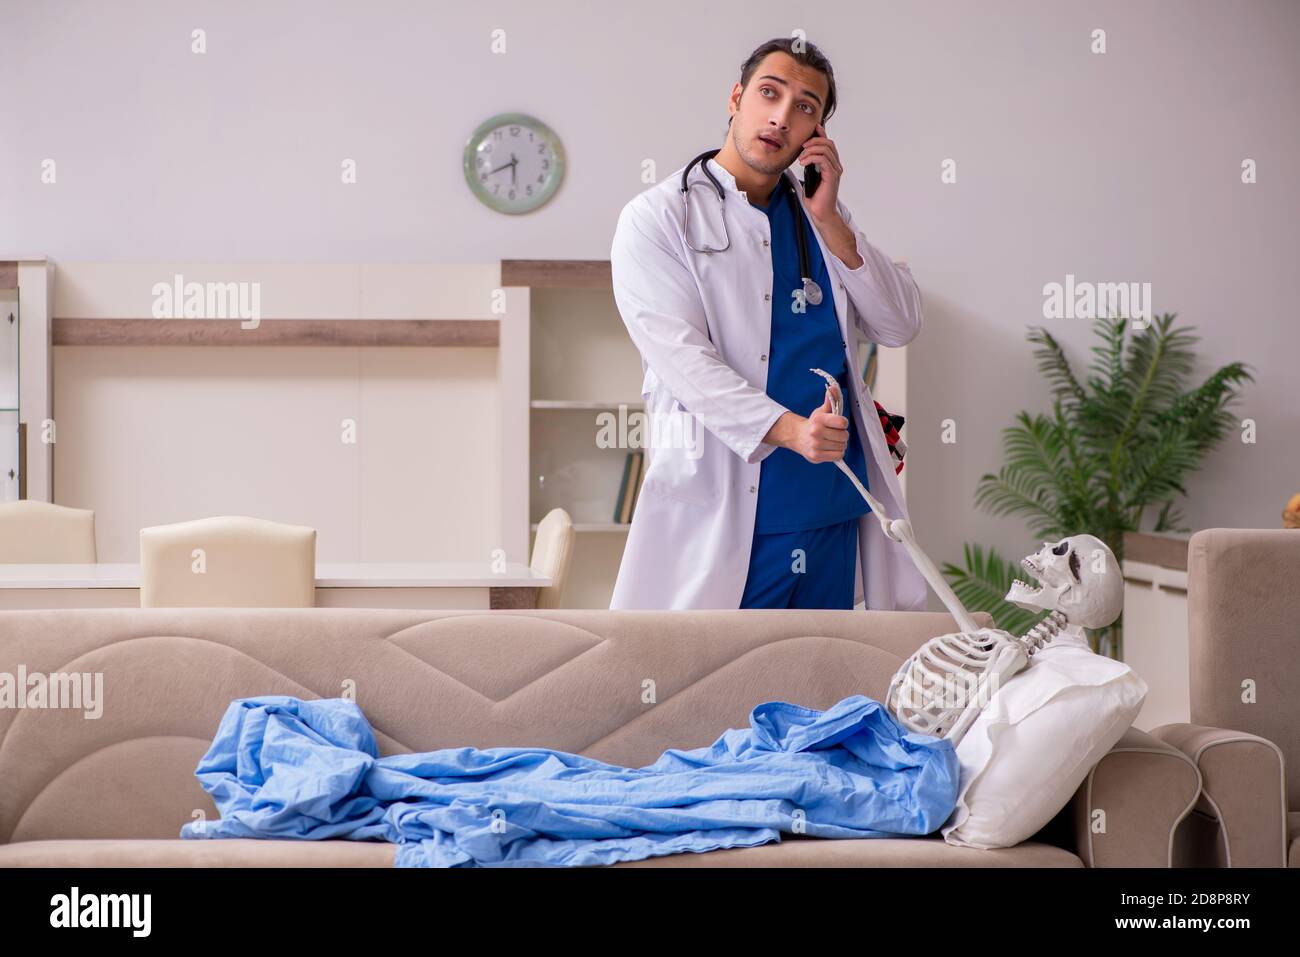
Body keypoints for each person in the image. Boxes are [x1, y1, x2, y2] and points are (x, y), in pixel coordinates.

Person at [609, 37, 926, 612]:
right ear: (737, 98)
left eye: (806, 106)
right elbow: (683, 362)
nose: (782, 116)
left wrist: (830, 220)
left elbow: (899, 324)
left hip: (833, 503)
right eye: (769, 93)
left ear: (818, 134)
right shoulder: (657, 218)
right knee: (719, 689)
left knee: (820, 691)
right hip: (731, 504)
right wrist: (788, 431)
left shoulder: (820, 213)